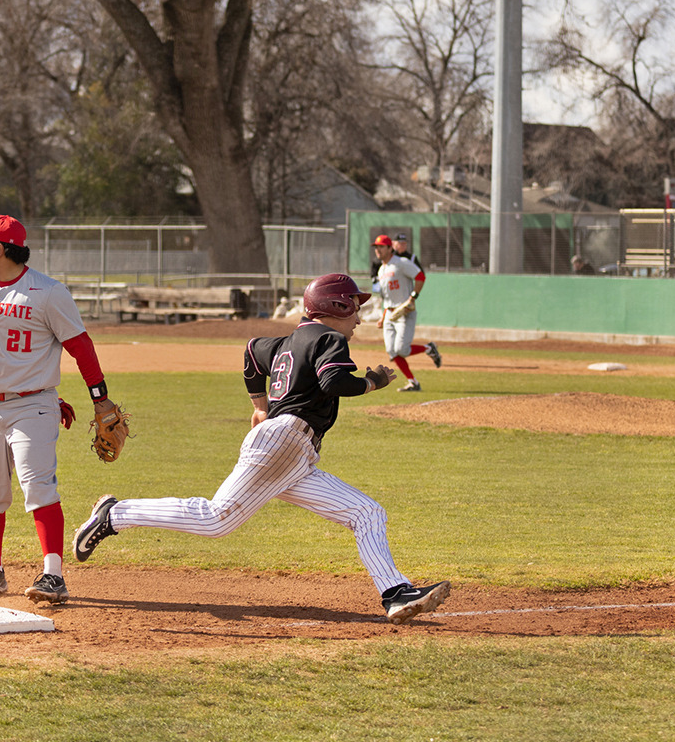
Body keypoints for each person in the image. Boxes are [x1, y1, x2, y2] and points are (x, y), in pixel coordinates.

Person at [73, 273, 450, 623]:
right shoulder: (327, 339)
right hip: (285, 442)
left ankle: (396, 592)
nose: (359, 318)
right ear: (337, 307)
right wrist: (371, 382)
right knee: (215, 519)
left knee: (366, 513)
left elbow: (253, 352)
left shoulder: (288, 341)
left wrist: (259, 406)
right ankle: (115, 513)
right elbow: (334, 381)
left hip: (291, 452)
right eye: (355, 306)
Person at [0, 215, 113, 606]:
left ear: (0, 249)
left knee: (37, 486)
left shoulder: (48, 293)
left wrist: (100, 398)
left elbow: (80, 346)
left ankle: (54, 576)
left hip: (33, 404)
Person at [371, 232, 440, 391]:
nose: (377, 250)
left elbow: (420, 276)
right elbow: (386, 297)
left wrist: (413, 297)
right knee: (392, 352)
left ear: (390, 248)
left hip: (404, 312)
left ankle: (429, 348)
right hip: (389, 313)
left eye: (381, 247)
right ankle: (413, 383)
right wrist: (382, 317)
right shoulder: (381, 270)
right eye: (376, 247)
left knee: (402, 349)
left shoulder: (401, 263)